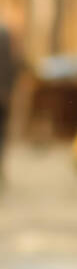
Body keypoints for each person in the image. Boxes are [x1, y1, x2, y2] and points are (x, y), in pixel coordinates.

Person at [0, 18, 17, 171]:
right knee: (2, 130)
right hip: (3, 91)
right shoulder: (5, 33)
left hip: (3, 90)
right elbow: (14, 62)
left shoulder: (5, 32)